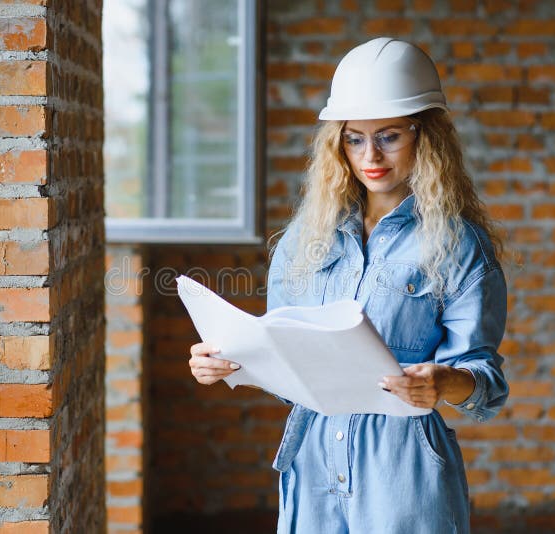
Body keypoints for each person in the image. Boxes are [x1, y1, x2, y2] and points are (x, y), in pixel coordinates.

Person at [188, 37, 509, 533]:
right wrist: (231, 362)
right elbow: (286, 358)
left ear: (425, 136)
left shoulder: (458, 244)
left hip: (403, 466)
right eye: (354, 139)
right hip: (312, 462)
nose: (370, 155)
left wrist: (442, 383)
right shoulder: (306, 237)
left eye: (389, 137)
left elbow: (486, 385)